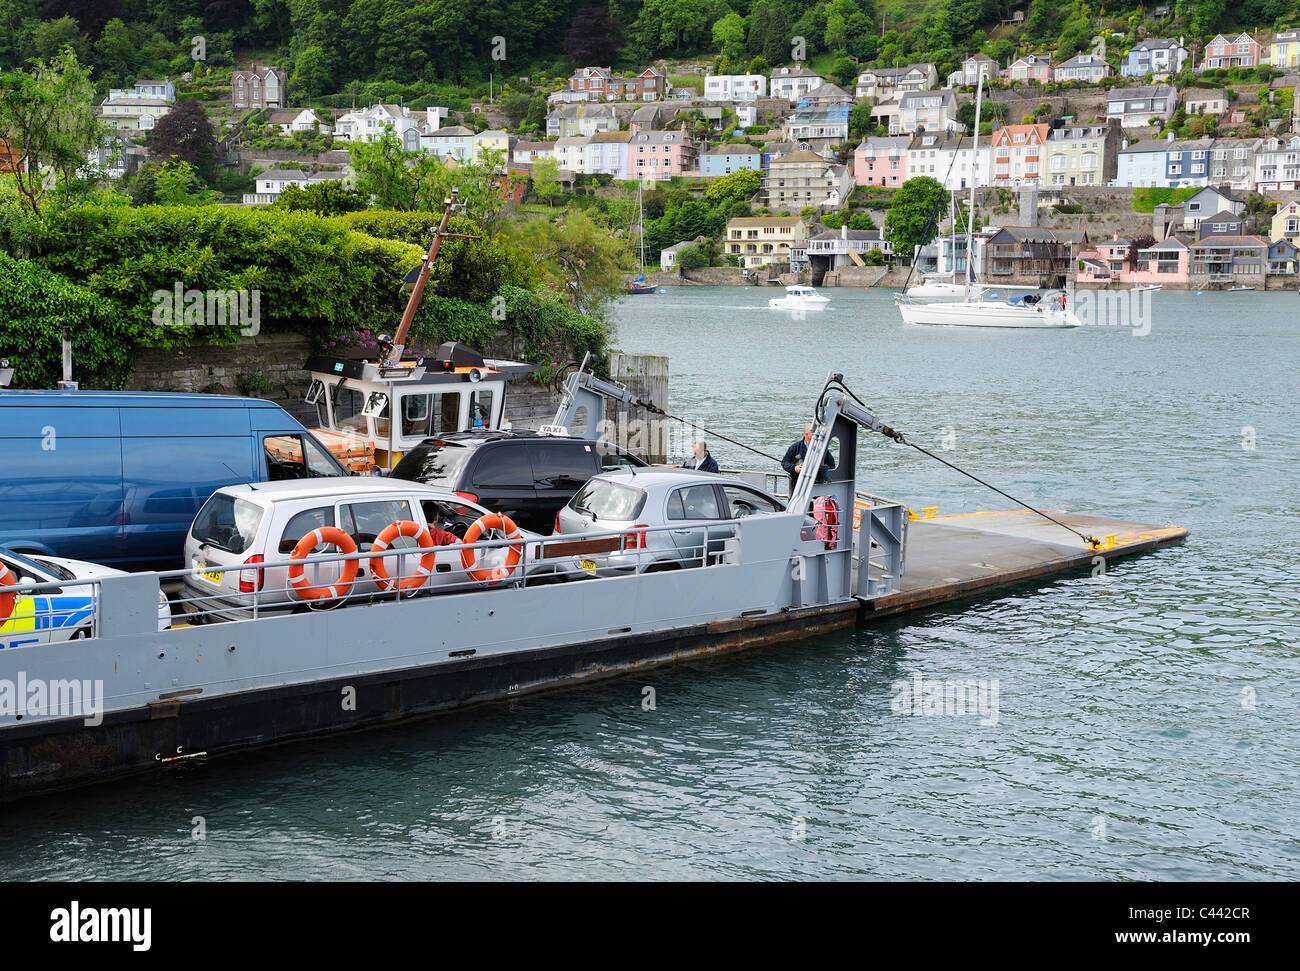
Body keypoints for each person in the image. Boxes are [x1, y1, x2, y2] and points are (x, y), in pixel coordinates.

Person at [782, 423, 835, 493]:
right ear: (806, 434)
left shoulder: (822, 448)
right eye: (813, 433)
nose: (816, 435)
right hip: (798, 485)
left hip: (818, 485)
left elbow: (831, 465)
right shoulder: (794, 447)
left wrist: (824, 473)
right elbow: (784, 462)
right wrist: (794, 468)